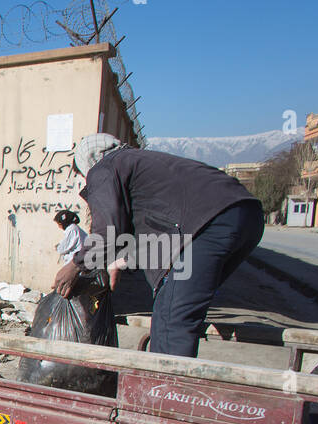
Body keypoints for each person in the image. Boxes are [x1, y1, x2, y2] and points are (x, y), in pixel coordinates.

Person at [54, 133, 264, 358]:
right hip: (245, 216)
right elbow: (145, 229)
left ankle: (167, 390)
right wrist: (121, 262)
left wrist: (75, 265)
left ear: (88, 161)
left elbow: (108, 232)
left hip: (210, 223)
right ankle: (158, 381)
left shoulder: (104, 168)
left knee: (174, 319)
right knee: (166, 307)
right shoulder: (137, 165)